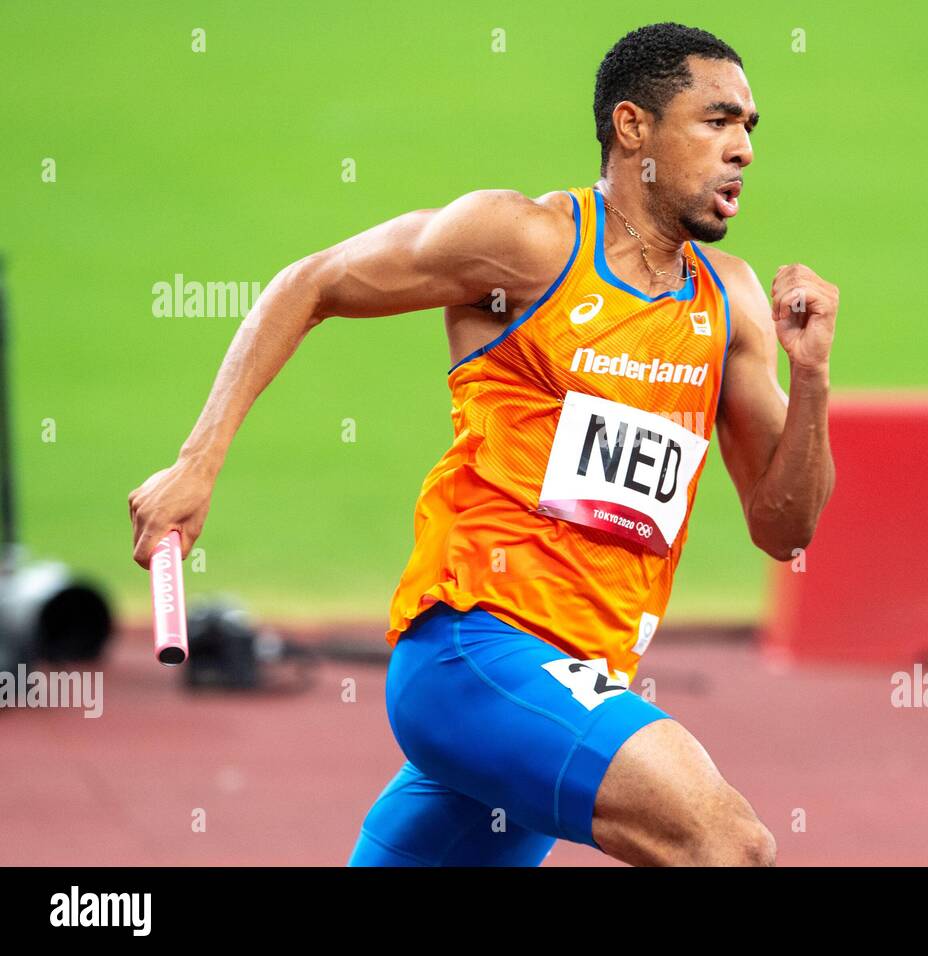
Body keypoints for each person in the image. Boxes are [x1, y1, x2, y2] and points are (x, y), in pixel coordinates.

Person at [128, 21, 837, 866]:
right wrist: (197, 464)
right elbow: (310, 283)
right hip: (474, 649)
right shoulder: (525, 244)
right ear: (633, 128)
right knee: (727, 845)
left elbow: (784, 528)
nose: (743, 149)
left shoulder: (732, 301)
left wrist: (813, 381)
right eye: (717, 121)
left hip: (575, 682)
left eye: (749, 128)